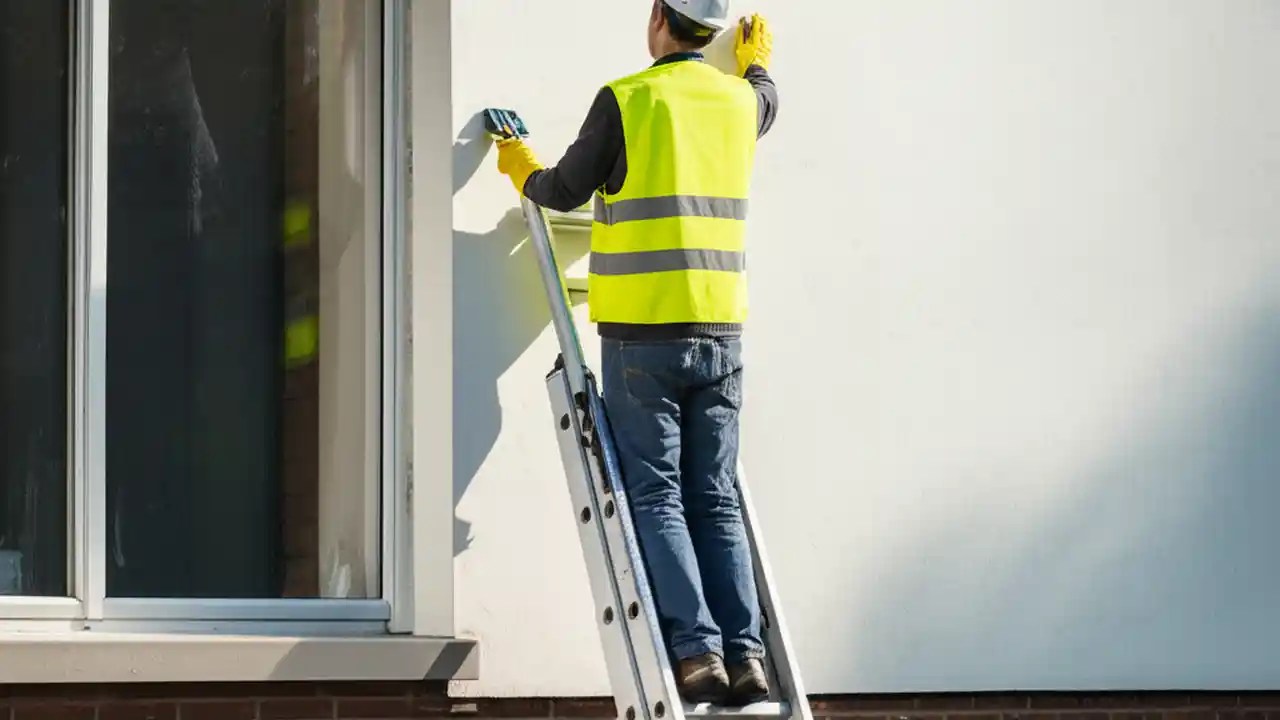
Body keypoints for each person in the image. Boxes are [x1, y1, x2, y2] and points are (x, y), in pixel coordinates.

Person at [494, 0, 777, 706]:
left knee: (655, 496)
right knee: (713, 499)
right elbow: (768, 99)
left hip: (642, 340)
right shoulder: (743, 102)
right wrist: (757, 62)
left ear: (658, 17)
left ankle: (697, 655)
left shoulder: (628, 99)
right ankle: (748, 658)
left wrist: (519, 166)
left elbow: (564, 190)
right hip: (721, 334)